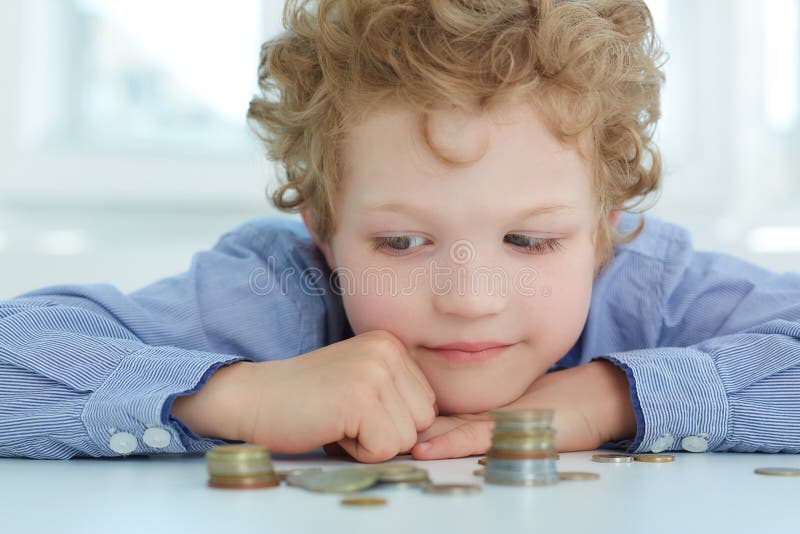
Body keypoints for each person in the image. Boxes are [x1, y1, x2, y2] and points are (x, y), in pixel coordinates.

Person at [2, 0, 799, 462]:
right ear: (322, 233)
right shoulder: (278, 292)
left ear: (606, 227)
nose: (471, 299)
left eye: (528, 242)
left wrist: (612, 401)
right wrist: (232, 397)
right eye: (402, 244)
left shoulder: (653, 287)